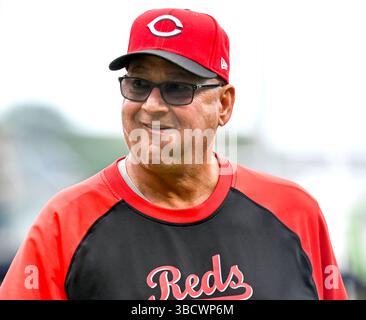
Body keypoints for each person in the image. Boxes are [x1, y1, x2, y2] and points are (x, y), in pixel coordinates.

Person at [0, 8, 347, 300]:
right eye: (138, 84)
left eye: (177, 88)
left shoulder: (293, 213)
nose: (151, 106)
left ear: (224, 104)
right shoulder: (65, 223)